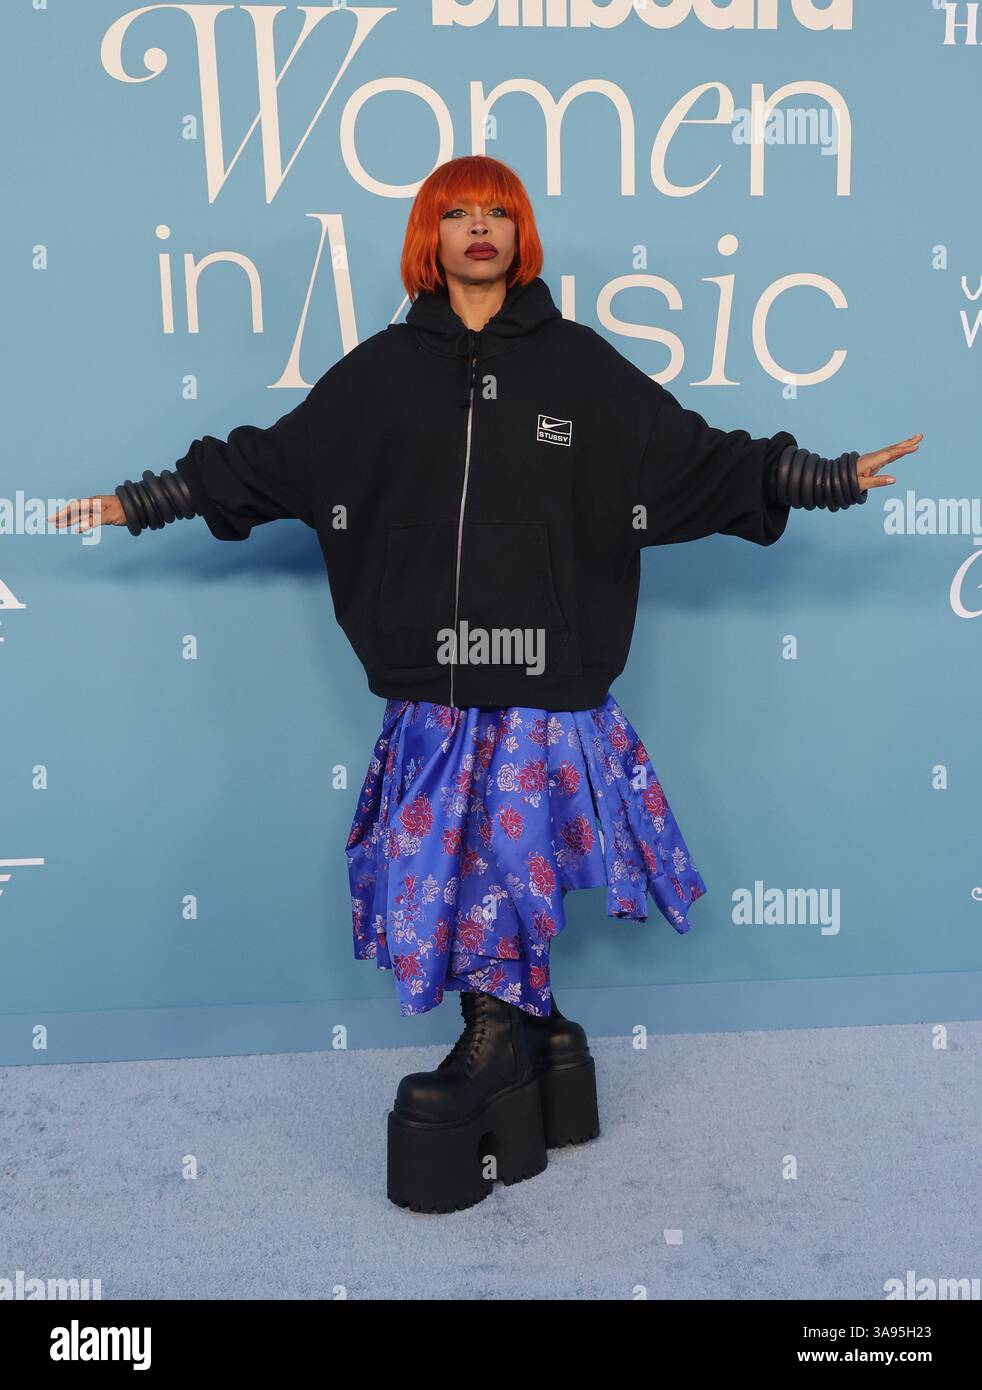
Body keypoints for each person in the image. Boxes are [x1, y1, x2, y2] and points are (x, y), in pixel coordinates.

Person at [49, 155, 922, 1214]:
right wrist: (143, 499)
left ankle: (496, 1037)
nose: (477, 230)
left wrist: (822, 478)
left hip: (545, 685)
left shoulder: (578, 367)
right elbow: (275, 461)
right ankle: (540, 1032)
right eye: (456, 213)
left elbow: (693, 459)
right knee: (448, 857)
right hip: (435, 691)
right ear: (431, 234)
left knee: (496, 858)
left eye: (495, 214)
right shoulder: (382, 373)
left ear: (519, 236)